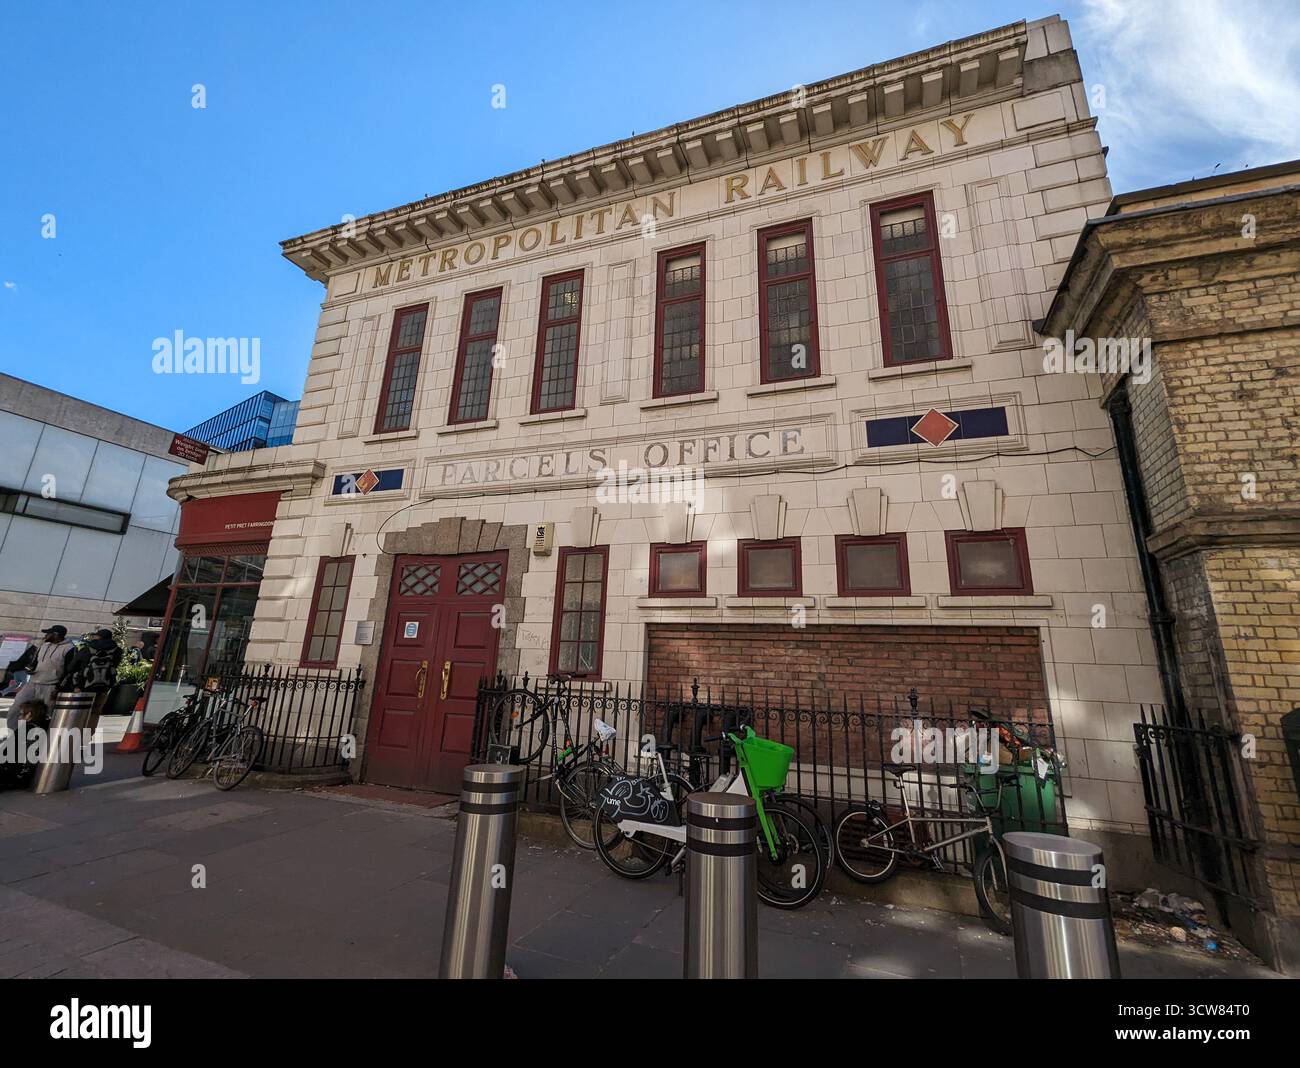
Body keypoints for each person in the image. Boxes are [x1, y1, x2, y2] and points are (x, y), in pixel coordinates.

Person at [4, 626, 74, 732]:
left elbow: (69, 671)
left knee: (47, 713)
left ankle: (44, 736)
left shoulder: (69, 648)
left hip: (51, 685)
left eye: (48, 634)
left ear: (55, 635)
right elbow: (35, 662)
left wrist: (59, 688)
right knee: (17, 706)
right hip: (33, 682)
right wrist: (30, 668)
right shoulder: (44, 645)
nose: (45, 636)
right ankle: (13, 732)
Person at [64, 628, 124, 726]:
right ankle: (89, 733)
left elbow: (72, 666)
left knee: (79, 710)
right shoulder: (117, 650)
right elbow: (115, 666)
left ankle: (75, 731)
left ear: (99, 637)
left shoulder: (88, 648)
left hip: (84, 685)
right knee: (96, 711)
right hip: (104, 686)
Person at [0, 699, 50, 789]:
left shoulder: (24, 730)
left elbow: (4, 753)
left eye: (21, 714)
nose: (19, 717)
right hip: (26, 775)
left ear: (29, 714)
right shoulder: (44, 728)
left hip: (13, 775)